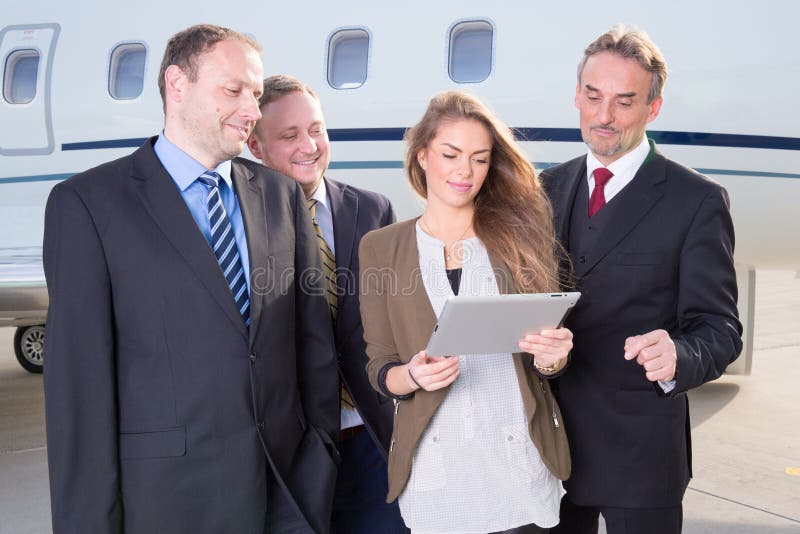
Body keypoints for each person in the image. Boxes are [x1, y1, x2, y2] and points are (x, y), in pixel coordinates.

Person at [42, 25, 339, 534]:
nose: (252, 110)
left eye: (256, 94)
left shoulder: (280, 196)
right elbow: (79, 389)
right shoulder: (89, 205)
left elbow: (313, 344)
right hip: (168, 505)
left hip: (289, 496)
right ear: (177, 84)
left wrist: (320, 456)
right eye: (234, 91)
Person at [541, 26, 743, 534]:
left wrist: (680, 354)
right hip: (547, 448)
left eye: (624, 102)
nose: (603, 116)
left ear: (653, 108)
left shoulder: (696, 202)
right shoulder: (545, 188)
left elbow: (720, 329)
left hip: (640, 454)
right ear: (577, 96)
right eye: (593, 96)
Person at [358, 91, 573, 533]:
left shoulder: (520, 238)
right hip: (439, 480)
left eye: (479, 158)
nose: (465, 171)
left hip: (518, 466)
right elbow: (379, 367)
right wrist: (413, 376)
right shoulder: (380, 249)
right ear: (422, 156)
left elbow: (546, 366)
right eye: (451, 154)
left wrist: (554, 355)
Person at [247, 74, 407, 533]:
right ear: (255, 147)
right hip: (291, 450)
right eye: (290, 135)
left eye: (316, 129)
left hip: (372, 440)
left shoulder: (373, 211)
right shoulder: (241, 226)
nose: (309, 145)